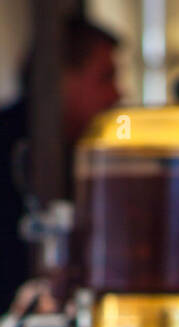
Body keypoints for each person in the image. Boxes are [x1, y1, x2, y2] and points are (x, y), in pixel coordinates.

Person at [0, 16, 120, 312]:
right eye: (106, 77)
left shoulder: (83, 152)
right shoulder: (17, 149)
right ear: (60, 78)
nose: (117, 94)